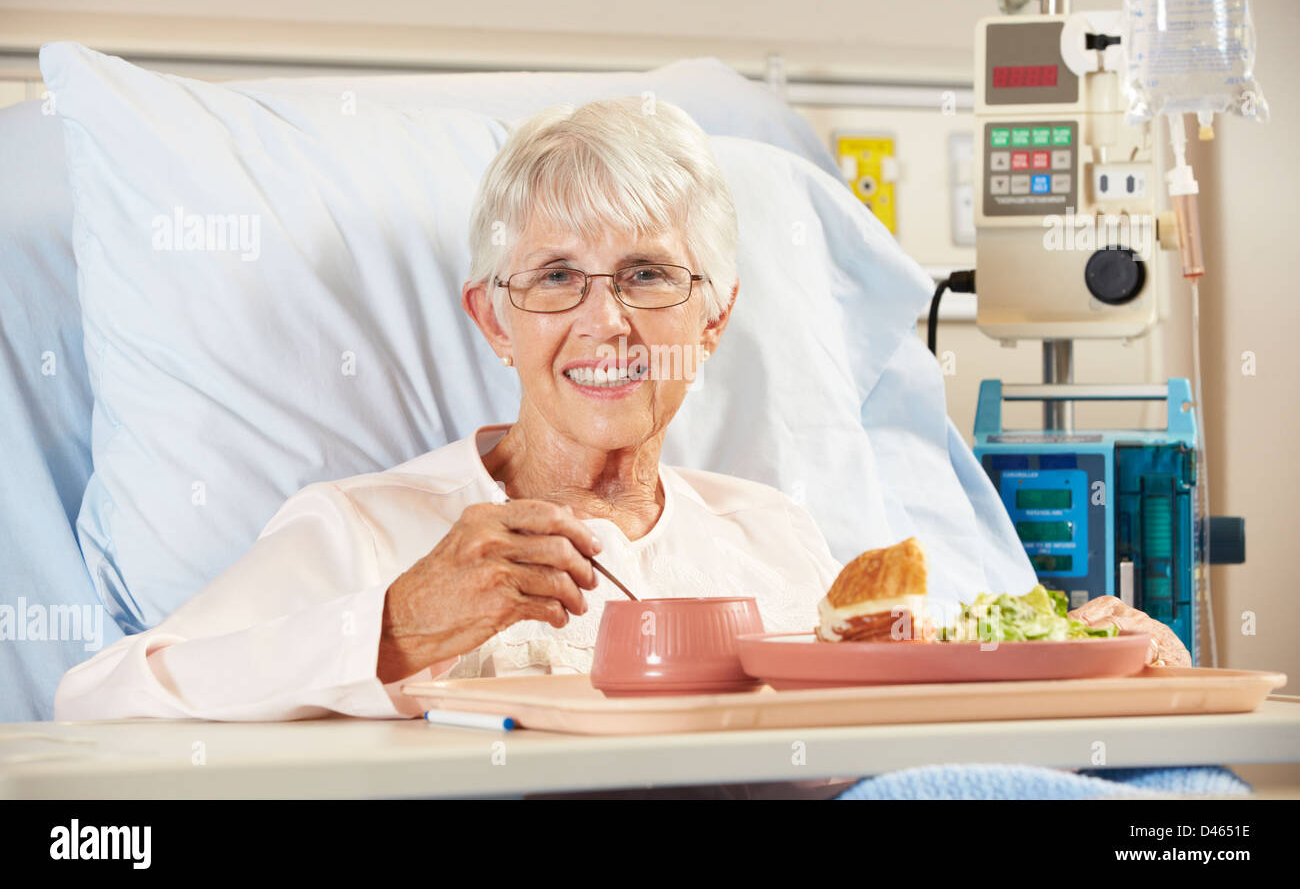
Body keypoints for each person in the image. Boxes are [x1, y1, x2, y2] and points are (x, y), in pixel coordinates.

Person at [55, 97, 1188, 733]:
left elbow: (908, 698)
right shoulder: (368, 530)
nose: (605, 322)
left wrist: (1091, 648)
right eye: (554, 277)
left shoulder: (773, 538)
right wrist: (392, 626)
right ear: (493, 319)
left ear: (714, 318)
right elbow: (97, 702)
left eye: (649, 274)